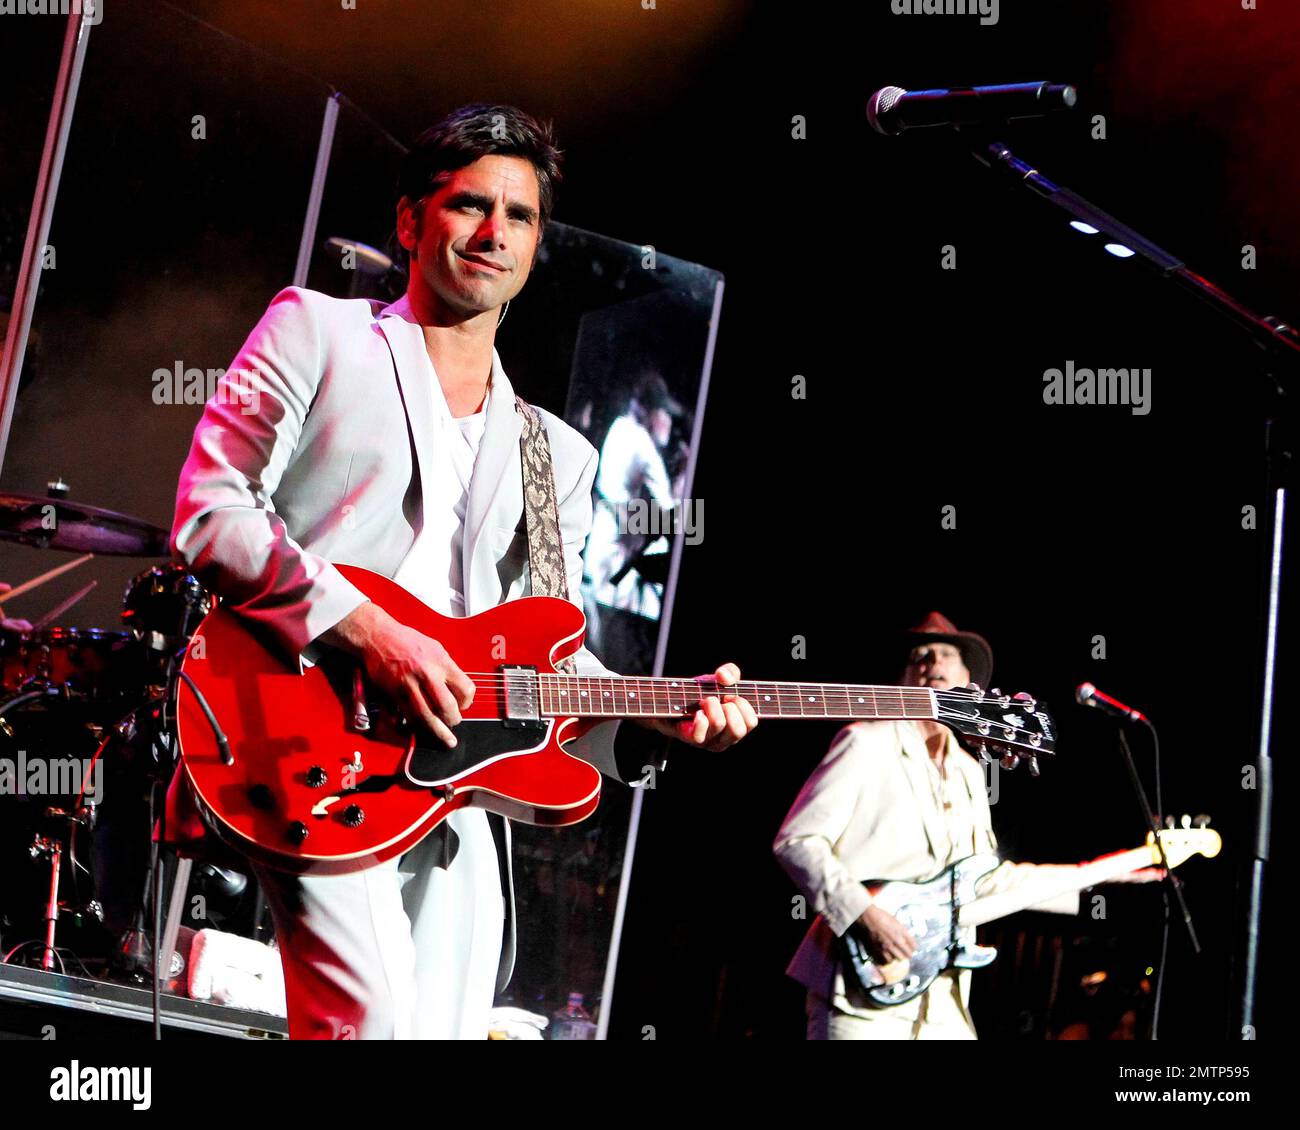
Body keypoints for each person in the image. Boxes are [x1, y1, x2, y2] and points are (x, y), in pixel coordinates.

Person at [170, 103, 757, 1039]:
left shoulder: (555, 453)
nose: (494, 234)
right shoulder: (317, 331)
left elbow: (549, 653)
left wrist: (662, 713)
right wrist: (367, 628)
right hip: (312, 731)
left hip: (458, 776)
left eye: (519, 216)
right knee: (370, 1028)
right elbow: (210, 510)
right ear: (411, 222)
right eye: (469, 206)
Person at [773, 611, 1150, 1040]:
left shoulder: (971, 773)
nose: (932, 663)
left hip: (942, 1001)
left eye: (945, 655)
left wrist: (1109, 871)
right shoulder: (866, 741)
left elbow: (984, 882)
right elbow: (798, 841)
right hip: (858, 993)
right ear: (902, 679)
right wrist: (863, 913)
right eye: (920, 655)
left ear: (968, 679)